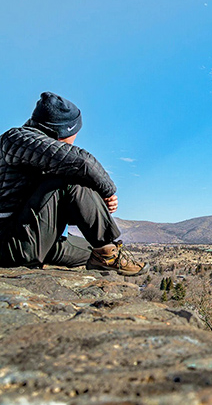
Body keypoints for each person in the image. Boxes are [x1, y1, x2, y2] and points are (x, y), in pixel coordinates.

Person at [0, 92, 147, 276]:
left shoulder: (36, 153)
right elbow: (83, 162)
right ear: (61, 131)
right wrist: (108, 192)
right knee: (70, 180)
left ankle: (105, 255)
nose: (75, 139)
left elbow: (51, 209)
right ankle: (106, 253)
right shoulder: (16, 139)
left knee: (93, 254)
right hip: (11, 243)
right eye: (74, 134)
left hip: (38, 239)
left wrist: (97, 204)